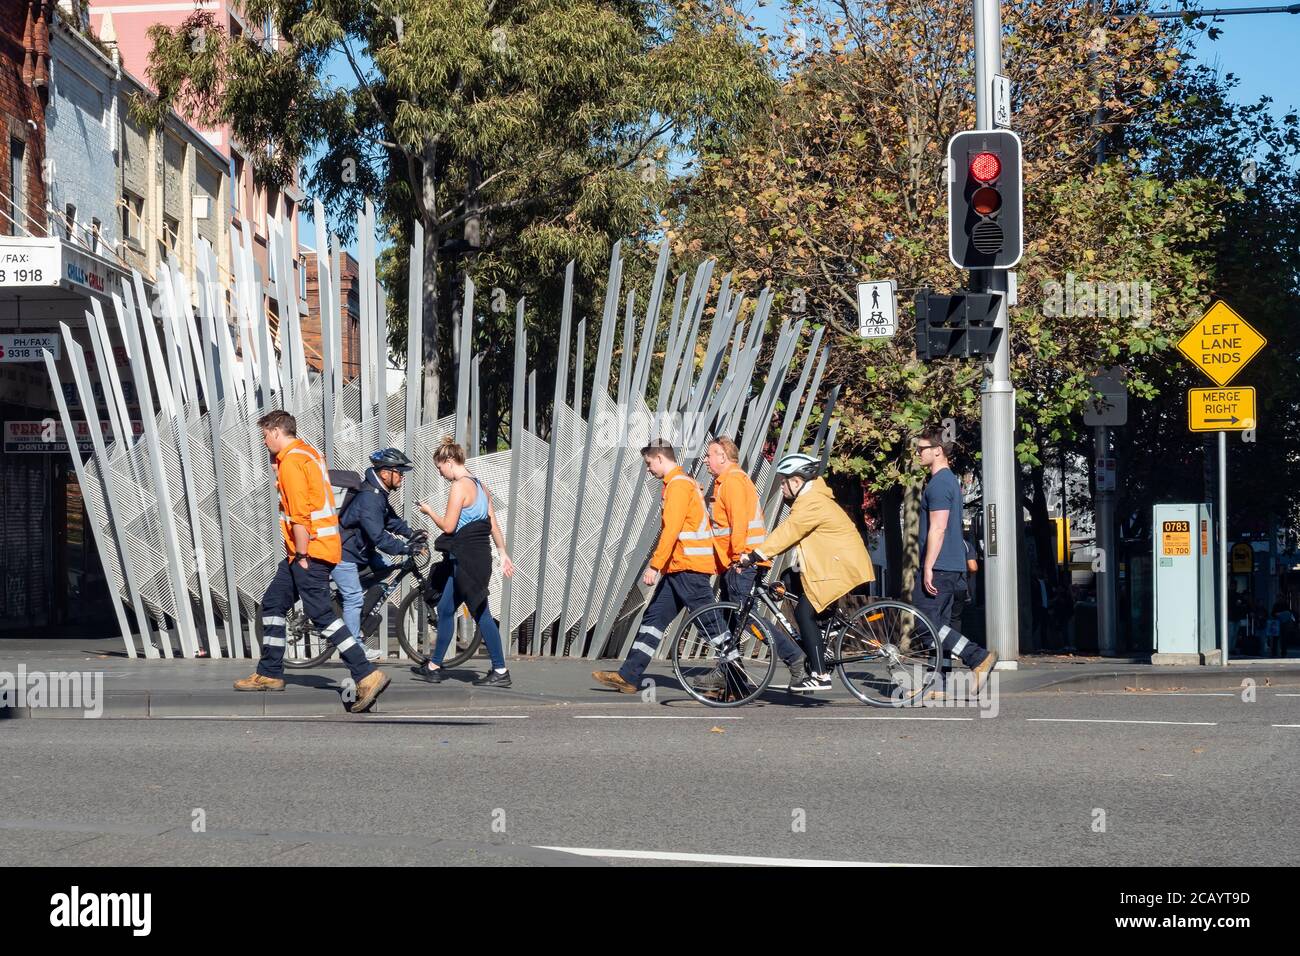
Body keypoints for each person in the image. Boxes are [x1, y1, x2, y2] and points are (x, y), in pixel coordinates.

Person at [234, 410, 391, 712]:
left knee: (321, 614)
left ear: (276, 431)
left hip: (310, 551)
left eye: (265, 435)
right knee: (273, 603)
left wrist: (303, 555)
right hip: (315, 548)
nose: (264, 441)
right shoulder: (309, 452)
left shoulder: (292, 462)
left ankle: (365, 673)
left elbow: (300, 514)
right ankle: (269, 673)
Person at [593, 438, 728, 694]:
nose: (648, 470)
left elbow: (671, 531)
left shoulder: (678, 486)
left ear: (660, 458)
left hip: (688, 565)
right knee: (654, 618)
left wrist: (654, 566)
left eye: (648, 464)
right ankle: (629, 676)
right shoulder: (682, 483)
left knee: (709, 622)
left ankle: (736, 675)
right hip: (680, 566)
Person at [738, 452, 875, 691]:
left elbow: (789, 532)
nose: (781, 486)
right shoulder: (810, 499)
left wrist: (755, 555)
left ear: (797, 481)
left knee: (803, 613)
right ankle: (822, 633)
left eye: (784, 481)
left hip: (838, 567)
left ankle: (820, 674)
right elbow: (795, 535)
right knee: (787, 581)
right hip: (829, 563)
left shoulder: (812, 502)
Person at [705, 436, 814, 691]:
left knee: (747, 619)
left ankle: (794, 658)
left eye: (709, 455)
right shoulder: (727, 482)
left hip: (742, 561)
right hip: (737, 561)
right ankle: (731, 674)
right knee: (733, 619)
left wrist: (737, 560)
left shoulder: (732, 481)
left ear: (722, 456)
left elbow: (739, 523)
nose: (706, 460)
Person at [410, 438, 515, 686]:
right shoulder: (480, 486)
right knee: (446, 609)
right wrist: (503, 553)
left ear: (449, 462)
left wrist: (428, 512)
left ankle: (500, 671)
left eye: (440, 467)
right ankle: (434, 666)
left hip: (467, 560)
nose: (440, 473)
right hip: (476, 557)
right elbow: (494, 525)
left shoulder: (458, 487)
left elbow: (448, 526)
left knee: (481, 612)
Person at [912, 427, 997, 698]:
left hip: (939, 566)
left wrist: (927, 566)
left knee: (924, 623)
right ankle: (938, 685)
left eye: (922, 448)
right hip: (952, 565)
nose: (918, 453)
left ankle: (978, 657)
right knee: (941, 626)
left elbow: (937, 528)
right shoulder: (949, 481)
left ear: (938, 450)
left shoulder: (938, 484)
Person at [334, 448, 427, 662]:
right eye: (399, 472)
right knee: (354, 599)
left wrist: (411, 534)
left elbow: (389, 520)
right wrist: (406, 548)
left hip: (360, 550)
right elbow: (378, 536)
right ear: (385, 473)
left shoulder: (379, 493)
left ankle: (345, 606)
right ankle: (354, 648)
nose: (402, 476)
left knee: (385, 565)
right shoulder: (370, 497)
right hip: (345, 552)